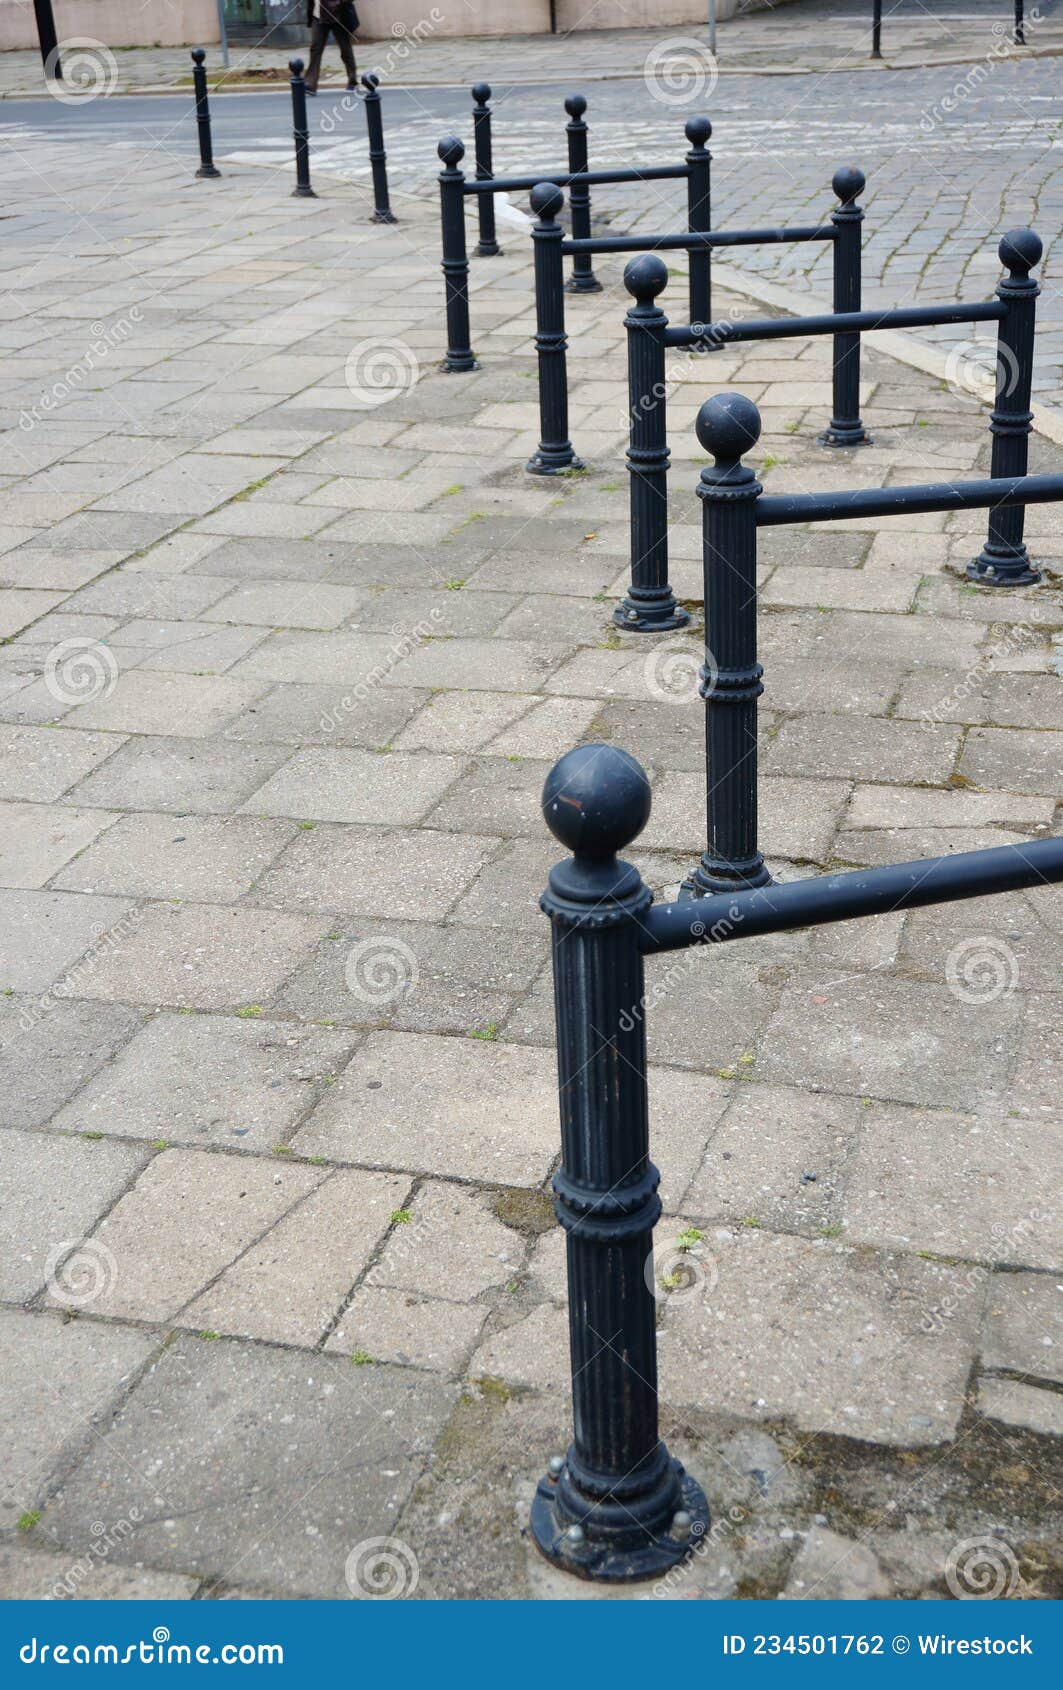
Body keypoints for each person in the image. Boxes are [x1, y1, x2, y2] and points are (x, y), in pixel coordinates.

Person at [305, 0, 360, 94]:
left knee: (345, 49)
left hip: (338, 16)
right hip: (318, 15)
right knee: (315, 48)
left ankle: (352, 81)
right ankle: (310, 83)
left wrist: (339, 3)